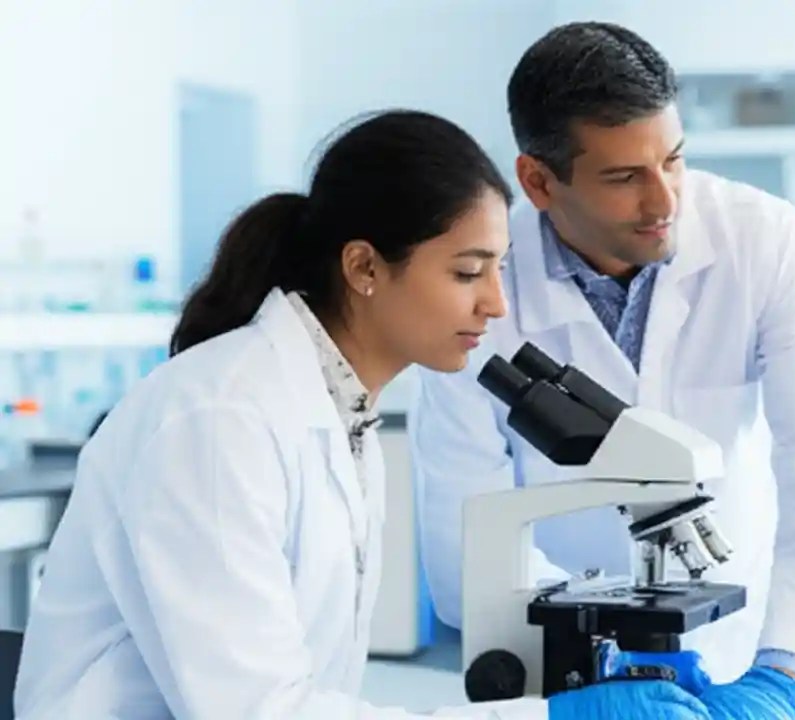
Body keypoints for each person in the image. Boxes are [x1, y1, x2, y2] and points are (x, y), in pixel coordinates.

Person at [14, 110, 708, 720]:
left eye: (499, 270)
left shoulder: (338, 411)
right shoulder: (219, 421)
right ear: (364, 267)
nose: (496, 304)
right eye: (468, 273)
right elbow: (264, 714)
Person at [410, 21, 795, 719]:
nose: (664, 203)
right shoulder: (476, 285)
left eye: (674, 161)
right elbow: (462, 526)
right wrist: (599, 672)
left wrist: (788, 671)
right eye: (625, 177)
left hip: (736, 657)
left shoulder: (762, 240)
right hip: (562, 677)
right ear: (539, 181)